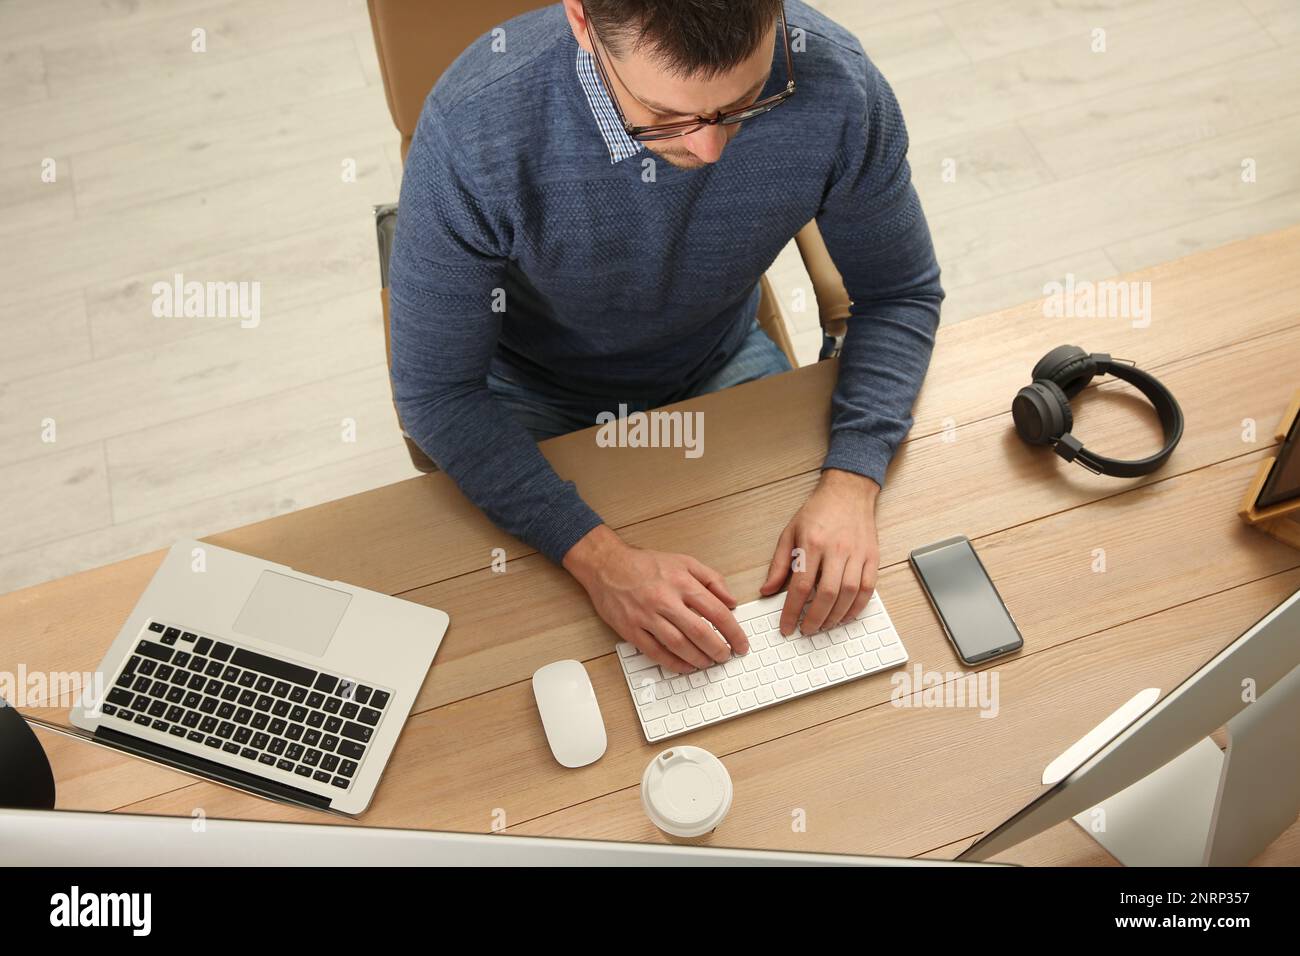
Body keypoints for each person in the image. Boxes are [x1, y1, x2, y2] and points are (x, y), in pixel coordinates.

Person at [388, 0, 943, 674]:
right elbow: (438, 391)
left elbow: (898, 293)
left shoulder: (836, 80)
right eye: (664, 117)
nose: (709, 148)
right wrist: (598, 559)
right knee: (535, 666)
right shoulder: (475, 128)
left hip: (717, 359)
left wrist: (854, 478)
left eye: (744, 102)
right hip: (529, 396)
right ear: (583, 24)